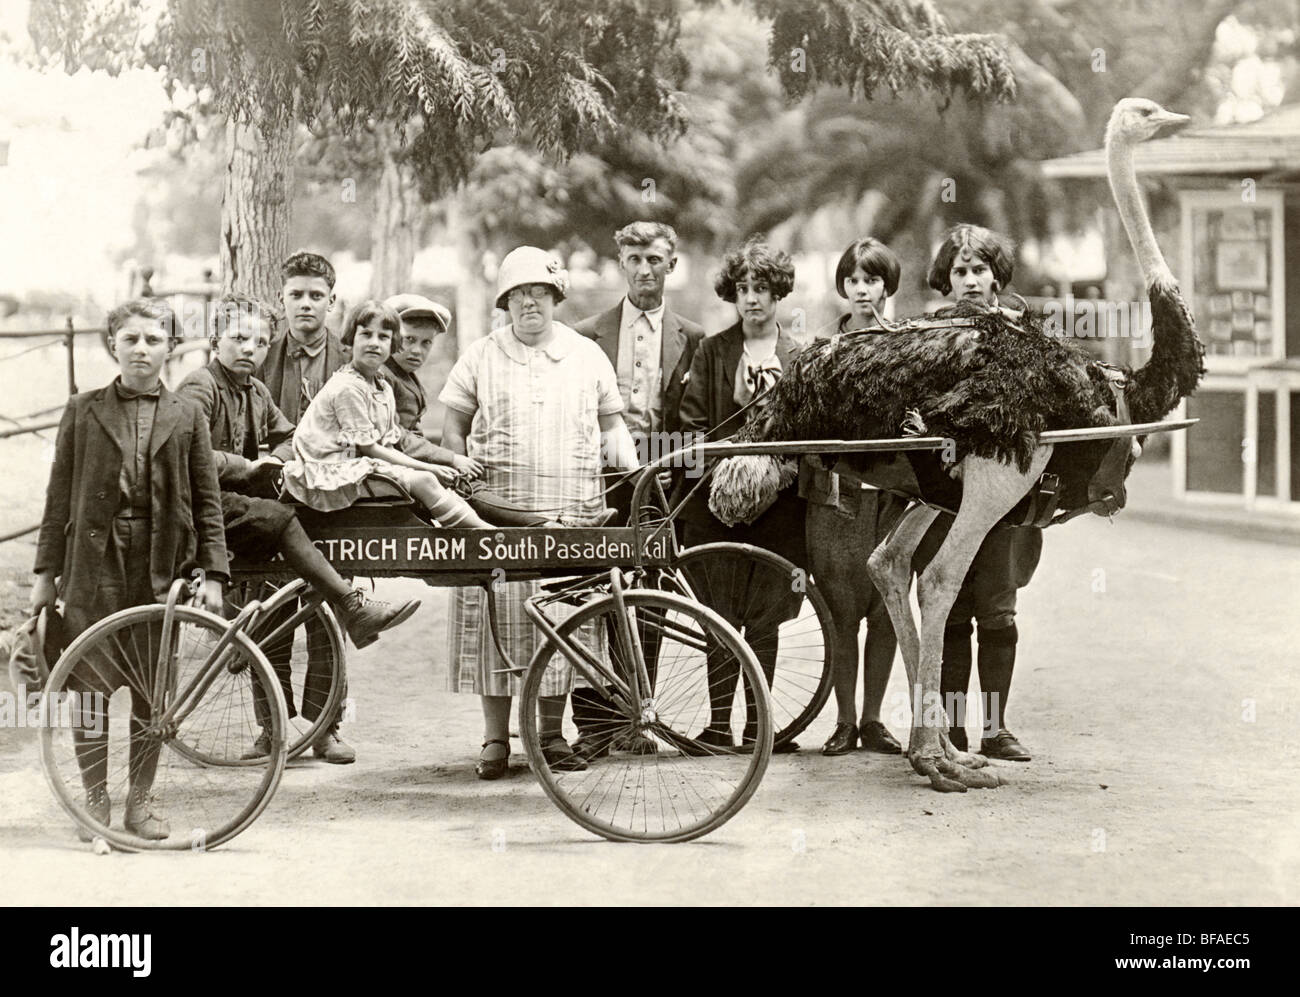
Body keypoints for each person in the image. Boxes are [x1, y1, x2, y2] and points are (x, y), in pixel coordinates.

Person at [176, 295, 420, 763]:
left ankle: (325, 728)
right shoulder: (199, 387)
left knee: (312, 604)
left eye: (261, 342)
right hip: (206, 510)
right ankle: (273, 730)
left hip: (266, 500)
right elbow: (193, 454)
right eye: (239, 338)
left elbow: (290, 435)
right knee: (271, 610)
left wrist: (278, 459)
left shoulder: (254, 390)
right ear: (214, 340)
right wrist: (248, 465)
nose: (250, 348)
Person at [32, 299, 228, 840]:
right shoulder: (84, 409)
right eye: (131, 339)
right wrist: (46, 575)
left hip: (159, 566)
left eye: (154, 339)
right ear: (112, 344)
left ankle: (141, 801)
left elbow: (206, 501)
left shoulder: (187, 415)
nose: (142, 349)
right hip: (93, 566)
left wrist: (213, 573)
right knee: (90, 686)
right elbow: (57, 499)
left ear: (171, 346)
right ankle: (94, 800)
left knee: (152, 688)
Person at [440, 246, 639, 779]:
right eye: (519, 295)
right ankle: (494, 740)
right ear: (505, 302)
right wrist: (460, 468)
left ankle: (550, 735)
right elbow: (453, 427)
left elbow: (612, 425)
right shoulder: (480, 355)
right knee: (495, 622)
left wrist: (631, 462)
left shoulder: (585, 354)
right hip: (498, 515)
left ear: (556, 298)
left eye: (540, 294)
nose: (531, 303)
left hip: (572, 511)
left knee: (563, 623)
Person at [569, 221, 705, 759]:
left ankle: (638, 717)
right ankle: (595, 725)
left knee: (651, 597)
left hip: (661, 476)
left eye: (654, 260)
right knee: (591, 590)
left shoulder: (693, 338)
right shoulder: (586, 334)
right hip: (598, 477)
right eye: (634, 260)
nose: (644, 270)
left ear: (671, 264)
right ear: (620, 264)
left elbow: (695, 417)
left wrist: (675, 459)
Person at [913, 224, 1043, 762]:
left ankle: (995, 728)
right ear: (947, 278)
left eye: (979, 270)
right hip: (942, 491)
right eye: (960, 271)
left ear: (996, 276)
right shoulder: (926, 333)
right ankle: (953, 730)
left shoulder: (1022, 332)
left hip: (1004, 496)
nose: (969, 280)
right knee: (951, 610)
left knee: (997, 612)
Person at [676, 238, 806, 752]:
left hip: (781, 504)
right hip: (718, 503)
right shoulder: (712, 351)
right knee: (721, 614)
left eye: (763, 289)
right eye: (744, 289)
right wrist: (728, 469)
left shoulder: (799, 354)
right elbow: (689, 424)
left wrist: (777, 469)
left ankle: (759, 728)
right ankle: (716, 725)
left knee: (766, 614)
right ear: (733, 294)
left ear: (779, 294)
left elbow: (810, 429)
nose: (753, 299)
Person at [801, 237, 906, 757]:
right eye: (854, 280)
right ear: (843, 286)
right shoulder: (822, 348)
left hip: (894, 498)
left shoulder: (909, 347)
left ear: (888, 286)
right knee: (842, 613)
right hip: (836, 500)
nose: (862, 289)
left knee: (887, 609)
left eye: (872, 280)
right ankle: (843, 722)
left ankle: (874, 719)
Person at [281, 299, 493, 528]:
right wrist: (429, 467)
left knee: (428, 480)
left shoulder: (381, 386)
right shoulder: (348, 387)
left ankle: (475, 530)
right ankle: (481, 534)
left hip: (357, 463)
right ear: (352, 338)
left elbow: (388, 444)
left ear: (393, 346)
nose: (374, 343)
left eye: (383, 337)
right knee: (425, 479)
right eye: (366, 334)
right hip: (328, 470)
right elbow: (369, 447)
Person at [260, 250, 346, 424]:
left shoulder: (349, 359)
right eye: (296, 295)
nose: (306, 304)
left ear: (331, 302)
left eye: (316, 296)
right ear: (281, 299)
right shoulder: (262, 358)